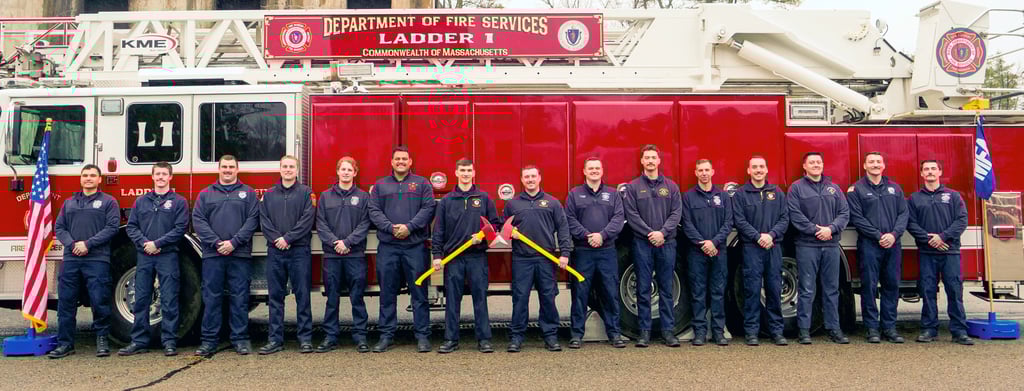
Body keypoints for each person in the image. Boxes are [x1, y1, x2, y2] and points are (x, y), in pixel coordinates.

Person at [368, 146, 436, 353]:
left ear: (410, 161)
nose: (401, 162)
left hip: (415, 247)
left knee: (419, 293)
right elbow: (374, 210)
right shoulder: (380, 186)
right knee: (387, 293)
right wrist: (391, 228)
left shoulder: (422, 184)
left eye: (404, 159)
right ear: (391, 162)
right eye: (397, 159)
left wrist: (410, 227)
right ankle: (386, 335)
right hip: (388, 247)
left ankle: (422, 336)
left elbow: (429, 208)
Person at [191, 155, 260, 357]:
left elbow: (252, 220)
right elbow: (198, 220)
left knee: (240, 298)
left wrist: (233, 243)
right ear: (218, 169)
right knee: (211, 298)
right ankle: (209, 341)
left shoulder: (248, 194)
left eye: (231, 167)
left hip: (239, 254)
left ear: (237, 170)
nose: (227, 170)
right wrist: (216, 243)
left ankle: (240, 339)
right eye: (224, 167)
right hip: (213, 254)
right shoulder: (206, 194)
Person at [49, 164, 120, 359]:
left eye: (92, 175)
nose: (88, 178)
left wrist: (88, 244)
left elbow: (113, 227)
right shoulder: (69, 203)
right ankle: (65, 344)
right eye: (85, 175)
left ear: (99, 180)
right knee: (66, 302)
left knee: (99, 301)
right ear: (80, 179)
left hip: (97, 259)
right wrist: (73, 245)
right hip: (71, 258)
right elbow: (59, 228)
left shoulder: (108, 202)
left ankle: (102, 340)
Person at [432, 158, 502, 354]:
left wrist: (483, 237)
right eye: (462, 170)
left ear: (474, 173)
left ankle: (484, 340)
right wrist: (437, 255)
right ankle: (450, 340)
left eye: (468, 170)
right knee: (452, 300)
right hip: (453, 258)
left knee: (480, 299)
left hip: (477, 257)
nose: (465, 174)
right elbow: (439, 230)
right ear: (456, 173)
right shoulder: (447, 201)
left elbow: (494, 225)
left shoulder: (484, 198)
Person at [119, 162, 189, 357]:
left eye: (164, 174)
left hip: (167, 255)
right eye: (157, 174)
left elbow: (180, 228)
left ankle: (169, 341)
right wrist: (145, 243)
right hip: (145, 256)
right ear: (152, 177)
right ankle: (139, 341)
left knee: (169, 299)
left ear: (170, 177)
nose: (160, 177)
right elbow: (131, 227)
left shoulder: (179, 202)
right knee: (141, 299)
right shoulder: (141, 201)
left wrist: (157, 243)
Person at [504, 165, 572, 353]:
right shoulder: (513, 204)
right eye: (527, 177)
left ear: (539, 178)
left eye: (533, 176)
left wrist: (565, 253)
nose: (530, 179)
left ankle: (550, 336)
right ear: (522, 179)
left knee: (548, 298)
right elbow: (503, 229)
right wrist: (511, 233)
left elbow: (563, 229)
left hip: (545, 258)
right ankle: (516, 337)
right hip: (522, 259)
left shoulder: (552, 203)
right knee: (520, 299)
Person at [906, 160, 973, 345]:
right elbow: (910, 223)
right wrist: (929, 240)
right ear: (921, 174)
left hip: (950, 252)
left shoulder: (953, 196)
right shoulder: (914, 199)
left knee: (954, 291)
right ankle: (929, 329)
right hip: (927, 253)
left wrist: (942, 237)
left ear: (940, 172)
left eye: (933, 169)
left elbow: (961, 220)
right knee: (927, 291)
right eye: (926, 169)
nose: (929, 172)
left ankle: (959, 331)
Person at [786, 152, 850, 345]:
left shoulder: (833, 188)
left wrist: (830, 229)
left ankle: (834, 329)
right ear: (804, 166)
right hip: (807, 245)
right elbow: (795, 215)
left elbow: (844, 212)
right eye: (812, 162)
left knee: (831, 289)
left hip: (830, 245)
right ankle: (804, 331)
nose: (816, 165)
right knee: (806, 289)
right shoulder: (796, 189)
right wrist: (815, 230)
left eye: (819, 162)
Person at [623, 144, 683, 347]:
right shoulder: (632, 187)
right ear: (641, 161)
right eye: (646, 157)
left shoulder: (672, 187)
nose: (650, 161)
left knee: (666, 288)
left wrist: (662, 233)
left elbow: (676, 213)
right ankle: (644, 333)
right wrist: (650, 233)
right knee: (643, 288)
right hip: (642, 244)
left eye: (653, 157)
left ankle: (668, 332)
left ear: (659, 161)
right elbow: (631, 215)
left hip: (667, 244)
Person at [564, 157, 626, 349]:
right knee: (580, 294)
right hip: (583, 252)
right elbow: (570, 219)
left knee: (610, 292)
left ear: (602, 171)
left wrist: (603, 235)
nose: (594, 171)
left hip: (607, 251)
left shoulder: (612, 194)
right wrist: (586, 235)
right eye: (590, 168)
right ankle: (576, 335)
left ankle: (615, 334)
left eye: (597, 168)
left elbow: (618, 218)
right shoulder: (574, 194)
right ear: (584, 171)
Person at [847, 152, 908, 344]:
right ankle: (872, 328)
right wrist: (878, 235)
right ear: (864, 166)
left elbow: (903, 214)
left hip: (893, 244)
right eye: (871, 162)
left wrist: (893, 235)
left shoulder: (895, 188)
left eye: (878, 162)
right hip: (869, 245)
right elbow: (856, 218)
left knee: (891, 286)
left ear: (884, 166)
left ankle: (889, 328)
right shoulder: (856, 189)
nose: (875, 165)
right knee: (869, 287)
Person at [258, 155, 315, 355]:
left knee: (302, 296)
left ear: (297, 170)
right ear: (280, 169)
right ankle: (275, 340)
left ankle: (305, 339)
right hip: (275, 251)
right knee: (275, 297)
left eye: (292, 166)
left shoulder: (306, 193)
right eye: (285, 166)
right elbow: (263, 220)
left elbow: (307, 220)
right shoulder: (269, 194)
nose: (288, 170)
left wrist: (288, 239)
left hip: (299, 251)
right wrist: (277, 239)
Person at [316, 157, 372, 353]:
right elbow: (320, 223)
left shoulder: (364, 197)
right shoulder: (325, 196)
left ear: (355, 173)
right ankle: (330, 337)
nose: (346, 172)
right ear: (338, 172)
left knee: (357, 297)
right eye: (343, 169)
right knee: (332, 298)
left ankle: (360, 336)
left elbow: (365, 223)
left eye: (350, 170)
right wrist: (335, 243)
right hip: (332, 256)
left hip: (355, 255)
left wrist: (348, 242)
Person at [732, 156, 789, 346]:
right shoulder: (741, 194)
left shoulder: (777, 193)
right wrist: (758, 237)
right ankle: (751, 332)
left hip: (773, 247)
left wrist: (771, 235)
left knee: (774, 290)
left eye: (761, 167)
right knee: (752, 290)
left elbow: (784, 218)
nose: (758, 170)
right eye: (754, 167)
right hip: (751, 248)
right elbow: (739, 221)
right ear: (748, 171)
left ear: (766, 170)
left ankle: (776, 332)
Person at [681, 159, 733, 346]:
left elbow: (729, 222)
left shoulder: (723, 196)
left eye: (706, 170)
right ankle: (700, 333)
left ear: (713, 172)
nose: (703, 173)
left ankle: (718, 332)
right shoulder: (687, 197)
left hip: (719, 251)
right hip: (696, 252)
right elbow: (686, 224)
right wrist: (703, 243)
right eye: (700, 170)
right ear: (695, 173)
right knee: (698, 293)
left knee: (718, 292)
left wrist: (715, 242)